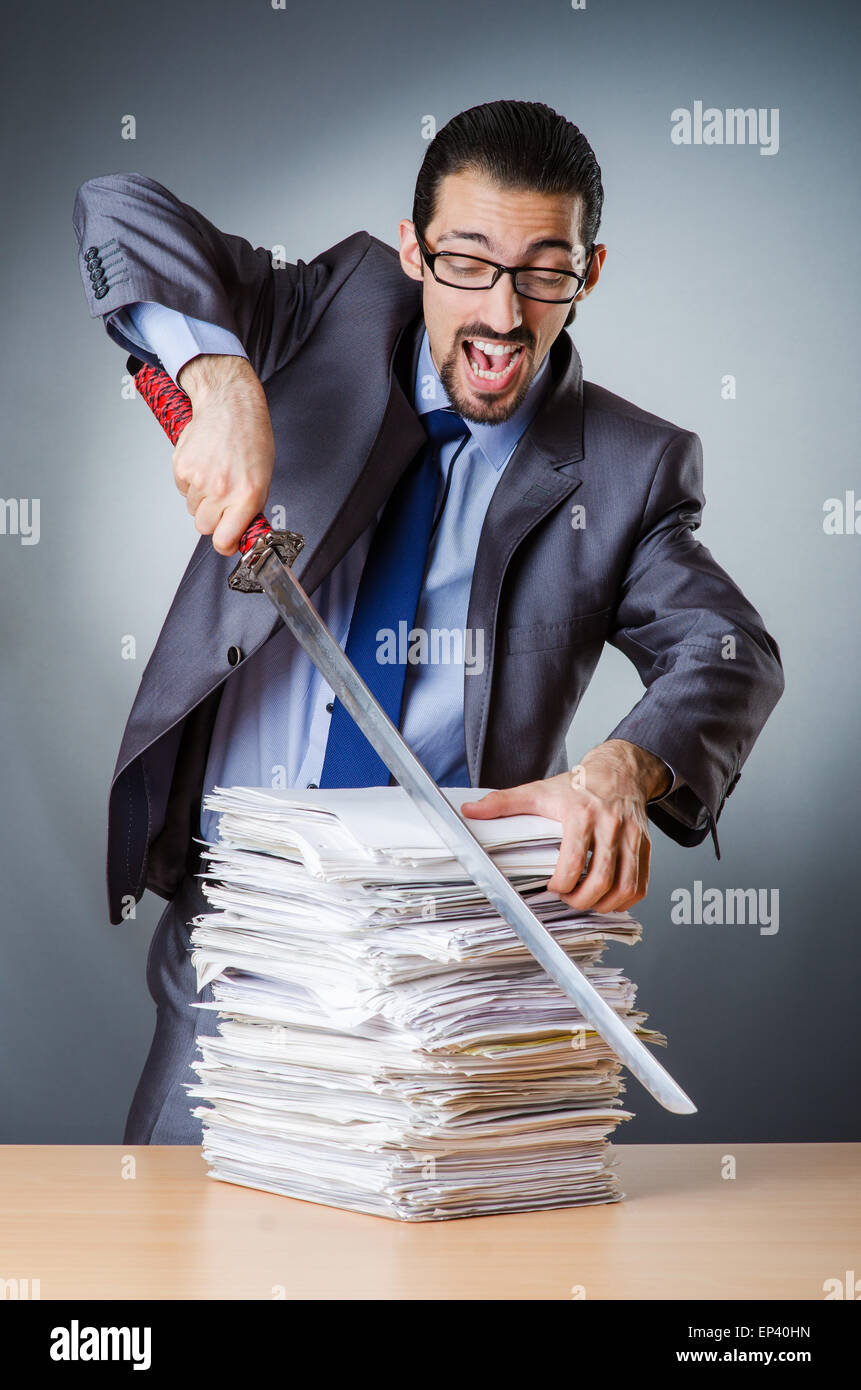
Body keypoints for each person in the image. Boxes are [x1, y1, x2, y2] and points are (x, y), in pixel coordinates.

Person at [73, 99, 784, 1144]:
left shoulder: (630, 470)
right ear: (412, 250)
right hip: (235, 945)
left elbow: (731, 651)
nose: (502, 313)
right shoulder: (321, 310)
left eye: (545, 268)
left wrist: (621, 771)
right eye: (468, 260)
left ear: (588, 274)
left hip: (439, 983)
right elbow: (115, 209)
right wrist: (217, 376)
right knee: (169, 1263)